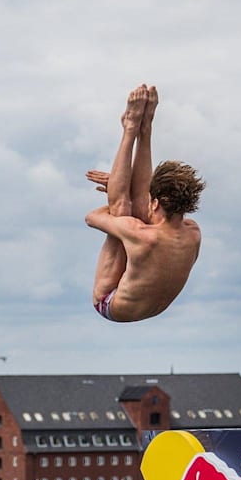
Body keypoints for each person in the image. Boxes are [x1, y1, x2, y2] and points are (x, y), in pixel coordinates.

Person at [85, 83, 203, 323]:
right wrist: (121, 183)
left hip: (111, 303)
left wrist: (120, 187)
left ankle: (131, 128)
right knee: (132, 215)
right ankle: (145, 128)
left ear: (156, 201)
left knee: (122, 211)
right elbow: (148, 209)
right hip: (151, 306)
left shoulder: (140, 235)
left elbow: (92, 217)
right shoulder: (194, 233)